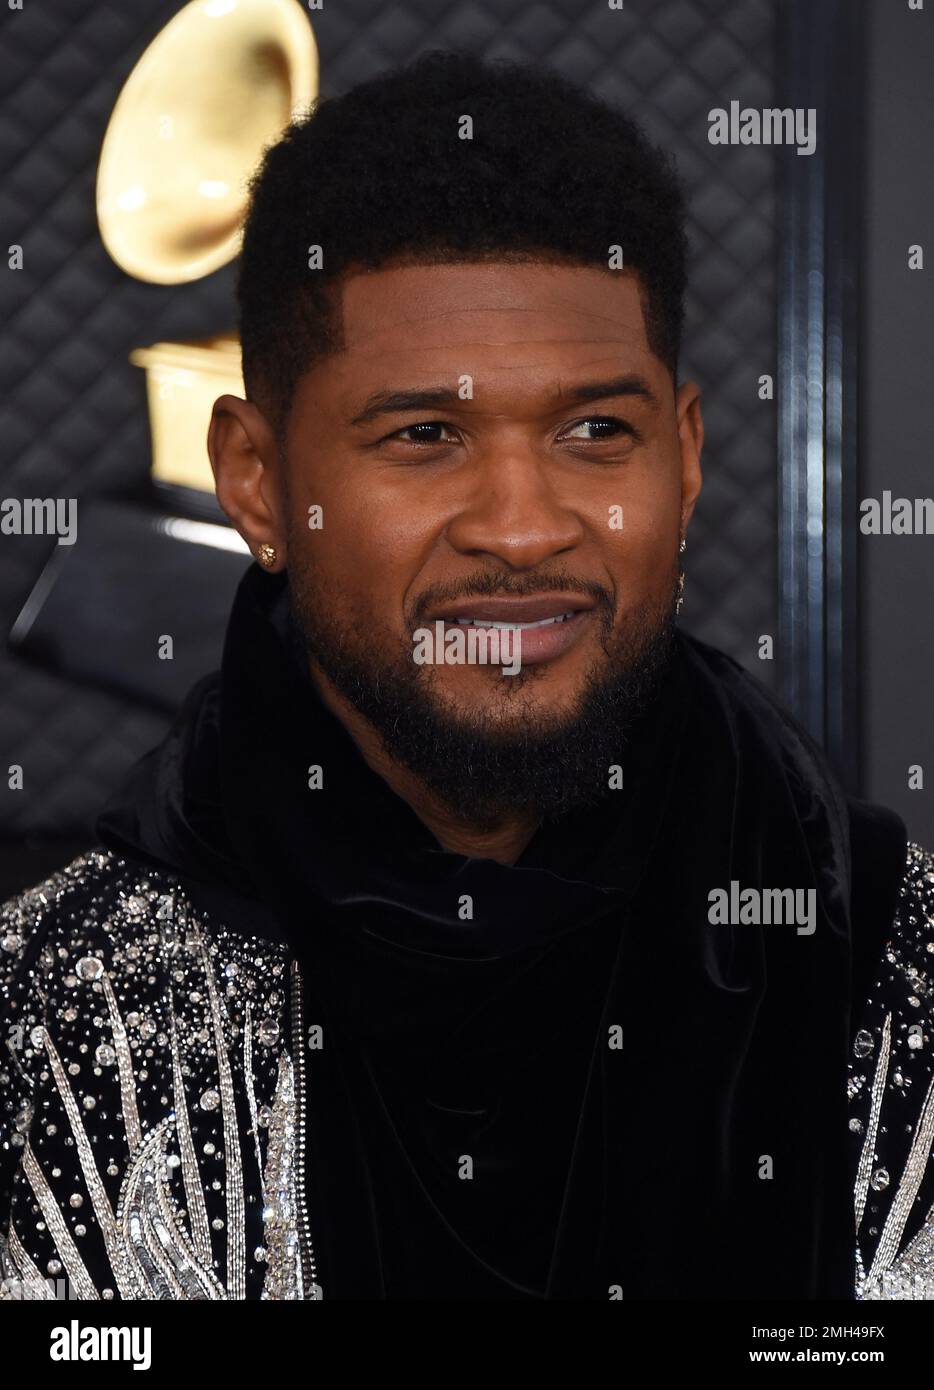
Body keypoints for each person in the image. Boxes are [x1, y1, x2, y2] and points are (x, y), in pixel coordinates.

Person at [0, 50, 930, 1302]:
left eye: (596, 430)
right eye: (425, 435)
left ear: (688, 458)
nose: (522, 524)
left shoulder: (891, 954)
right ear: (257, 479)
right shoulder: (56, 1017)